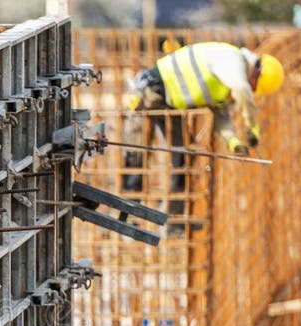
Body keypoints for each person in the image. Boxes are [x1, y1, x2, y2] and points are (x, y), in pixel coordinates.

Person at [121, 42, 284, 216]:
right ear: (256, 73)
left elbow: (222, 114)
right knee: (135, 154)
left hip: (170, 105)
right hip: (150, 90)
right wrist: (252, 126)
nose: (252, 90)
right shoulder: (231, 59)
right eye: (254, 86)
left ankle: (173, 220)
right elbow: (242, 89)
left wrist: (232, 141)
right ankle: (127, 216)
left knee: (182, 158)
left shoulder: (230, 78)